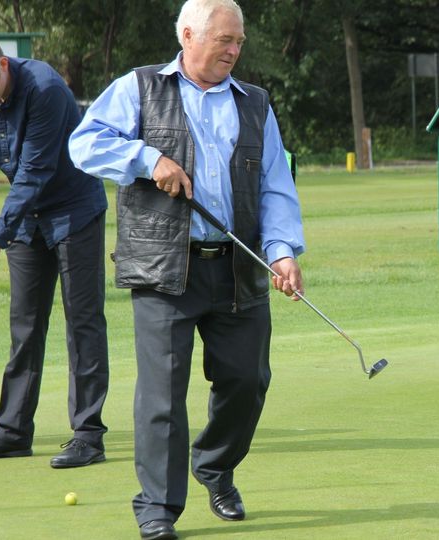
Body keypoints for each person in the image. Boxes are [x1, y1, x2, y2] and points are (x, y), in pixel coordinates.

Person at [69, 1, 305, 538]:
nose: (234, 50)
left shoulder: (255, 102)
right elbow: (84, 144)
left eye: (239, 42)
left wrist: (282, 251)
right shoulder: (139, 87)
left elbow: (274, 184)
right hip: (164, 270)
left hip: (238, 269)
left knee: (247, 381)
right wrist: (148, 159)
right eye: (225, 40)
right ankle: (157, 507)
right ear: (188, 35)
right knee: (163, 397)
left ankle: (215, 466)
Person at [0, 31, 110, 469]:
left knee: (83, 322)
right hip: (27, 218)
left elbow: (35, 171)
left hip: (74, 210)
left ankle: (88, 435)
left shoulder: (45, 88)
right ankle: (13, 431)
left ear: (2, 65)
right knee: (25, 325)